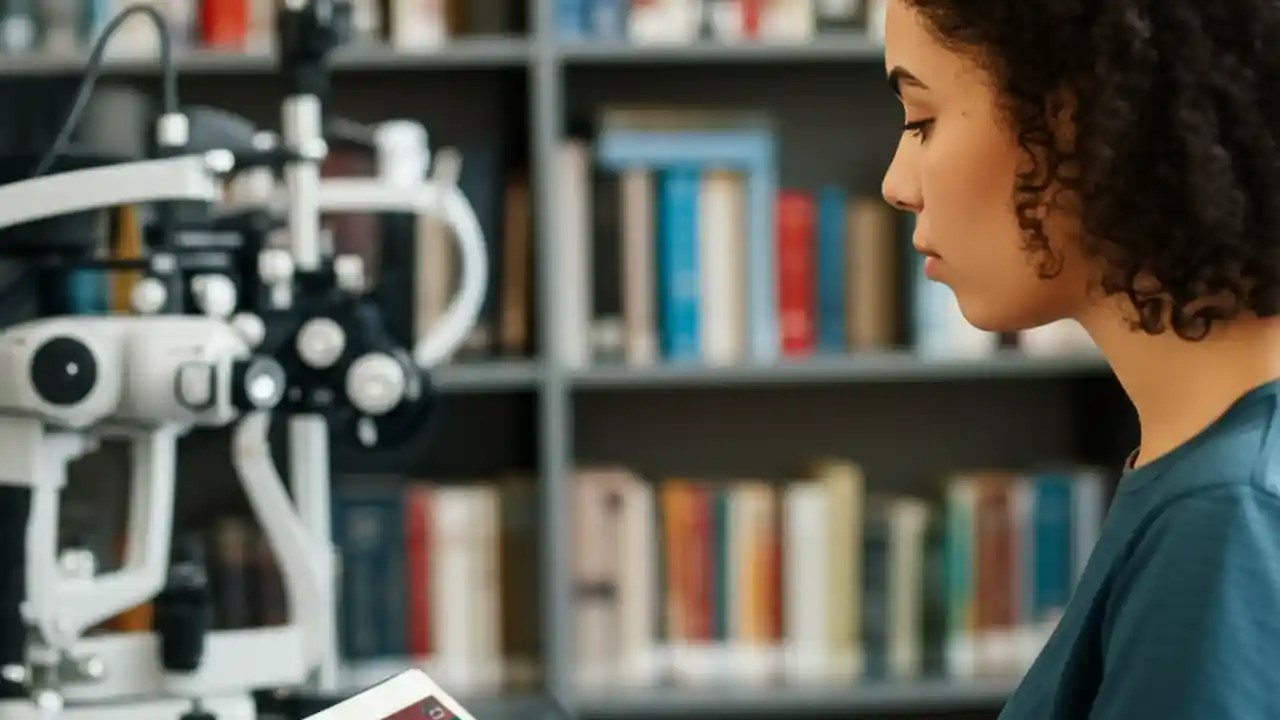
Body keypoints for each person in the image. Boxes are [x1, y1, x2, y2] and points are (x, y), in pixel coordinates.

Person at [878, 0, 1280, 718]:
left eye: (922, 121)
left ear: (1078, 119)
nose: (897, 185)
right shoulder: (1205, 481)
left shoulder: (1225, 525)